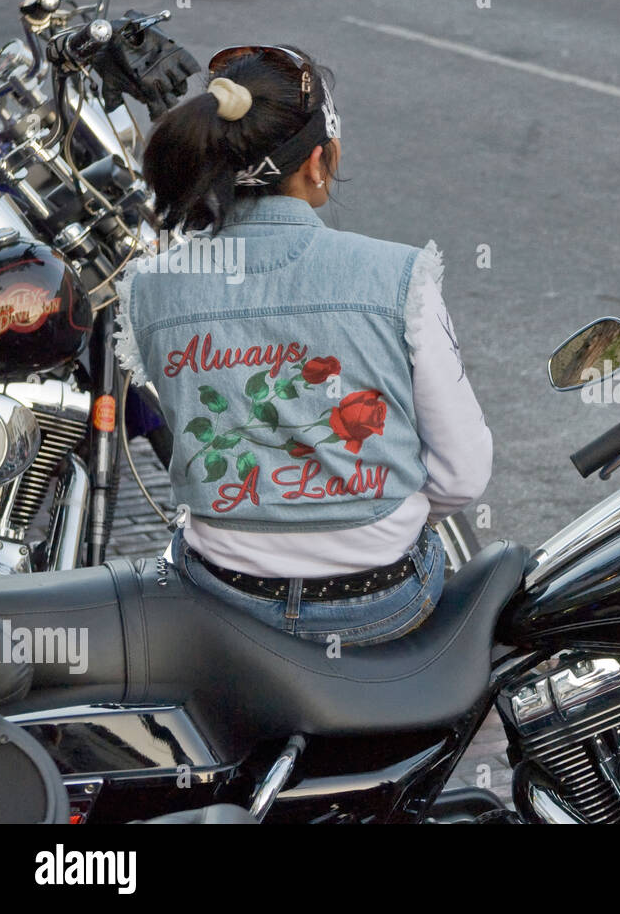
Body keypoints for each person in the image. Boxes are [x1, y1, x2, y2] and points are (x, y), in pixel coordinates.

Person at [114, 44, 492, 646]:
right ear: (319, 161)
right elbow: (461, 476)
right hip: (379, 600)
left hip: (220, 602)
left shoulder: (149, 289)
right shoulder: (398, 274)